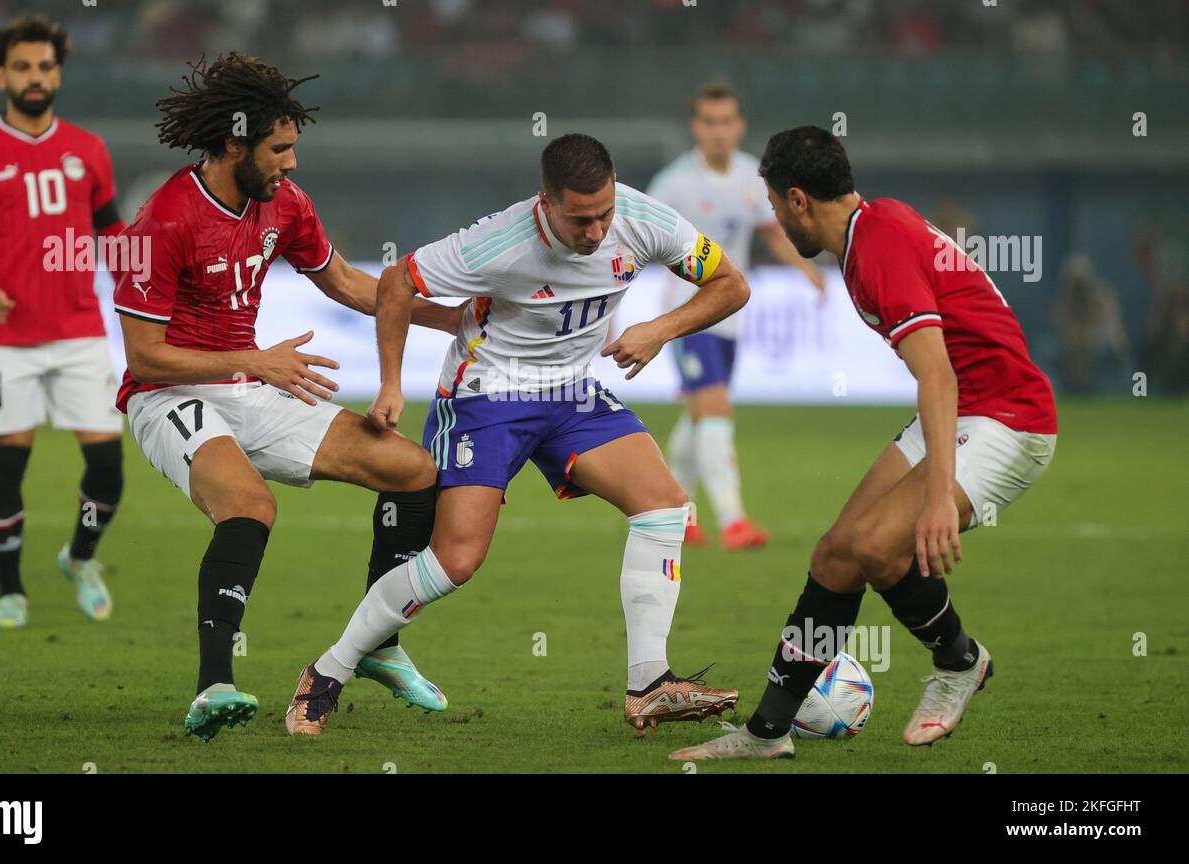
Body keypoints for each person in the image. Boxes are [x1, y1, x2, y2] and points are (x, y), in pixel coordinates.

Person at [290, 133, 749, 736]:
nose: (595, 231)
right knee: (456, 560)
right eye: (581, 219)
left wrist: (661, 328)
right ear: (546, 203)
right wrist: (391, 385)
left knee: (663, 507)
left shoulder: (641, 218)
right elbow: (398, 281)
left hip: (571, 391)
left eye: (604, 214)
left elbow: (731, 286)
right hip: (487, 396)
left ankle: (649, 684)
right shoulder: (499, 243)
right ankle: (326, 673)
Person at [670, 127, 1057, 761]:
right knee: (836, 557)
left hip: (1009, 418)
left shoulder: (875, 248)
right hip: (965, 407)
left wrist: (938, 499)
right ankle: (766, 734)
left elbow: (936, 371)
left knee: (880, 547)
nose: (772, 219)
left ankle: (960, 662)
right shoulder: (868, 229)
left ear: (798, 200)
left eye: (772, 205)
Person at [113, 53, 462, 741]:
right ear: (233, 146)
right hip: (167, 395)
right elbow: (142, 356)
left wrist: (451, 316)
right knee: (249, 506)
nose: (291, 163)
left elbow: (351, 287)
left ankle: (379, 642)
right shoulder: (163, 220)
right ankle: (214, 685)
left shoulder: (285, 205)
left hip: (252, 382)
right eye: (280, 149)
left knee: (413, 471)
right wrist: (253, 359)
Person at [0, 15, 125, 628]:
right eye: (22, 67)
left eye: (44, 66)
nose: (34, 77)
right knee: (8, 464)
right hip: (6, 342)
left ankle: (79, 556)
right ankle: (10, 591)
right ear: (0, 76)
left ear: (57, 72)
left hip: (80, 332)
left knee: (108, 469)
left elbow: (111, 235)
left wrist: (138, 290)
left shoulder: (87, 149)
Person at [648, 82, 825, 550]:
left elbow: (772, 232)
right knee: (715, 409)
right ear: (695, 127)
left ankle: (675, 513)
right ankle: (733, 520)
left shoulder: (752, 178)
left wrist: (809, 270)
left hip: (730, 316)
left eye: (726, 121)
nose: (718, 131)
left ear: (740, 126)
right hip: (686, 316)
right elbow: (632, 242)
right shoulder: (673, 183)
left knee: (700, 417)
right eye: (709, 122)